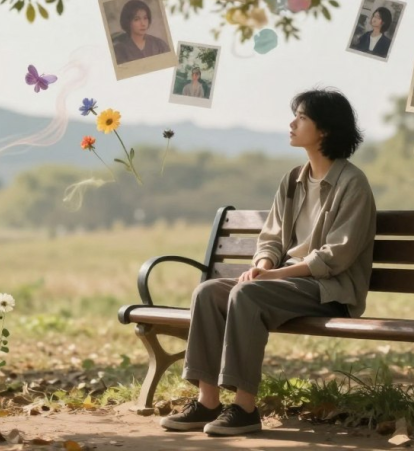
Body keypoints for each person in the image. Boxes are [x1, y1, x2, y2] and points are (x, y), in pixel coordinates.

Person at [160, 88, 376, 437]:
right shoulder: (293, 180)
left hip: (329, 289)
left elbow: (336, 257)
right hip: (285, 282)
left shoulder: (353, 184)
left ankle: (245, 408)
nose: (292, 123)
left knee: (247, 295)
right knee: (209, 291)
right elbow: (271, 238)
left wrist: (274, 274)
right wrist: (263, 263)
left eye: (301, 117)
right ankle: (207, 401)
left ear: (324, 130)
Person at [111, 0, 171, 64]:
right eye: (136, 19)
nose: (143, 23)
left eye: (145, 18)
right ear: (128, 22)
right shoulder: (119, 50)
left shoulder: (159, 45)